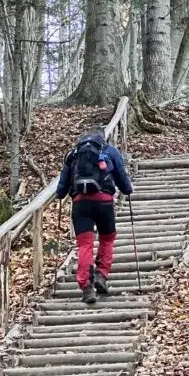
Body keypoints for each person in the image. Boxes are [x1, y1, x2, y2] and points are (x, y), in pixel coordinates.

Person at [56, 127, 134, 304]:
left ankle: (86, 288)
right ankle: (101, 275)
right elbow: (124, 183)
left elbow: (60, 191)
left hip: (80, 204)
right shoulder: (110, 151)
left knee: (85, 245)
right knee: (107, 239)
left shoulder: (73, 154)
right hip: (104, 203)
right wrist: (127, 189)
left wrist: (62, 193)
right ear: (103, 138)